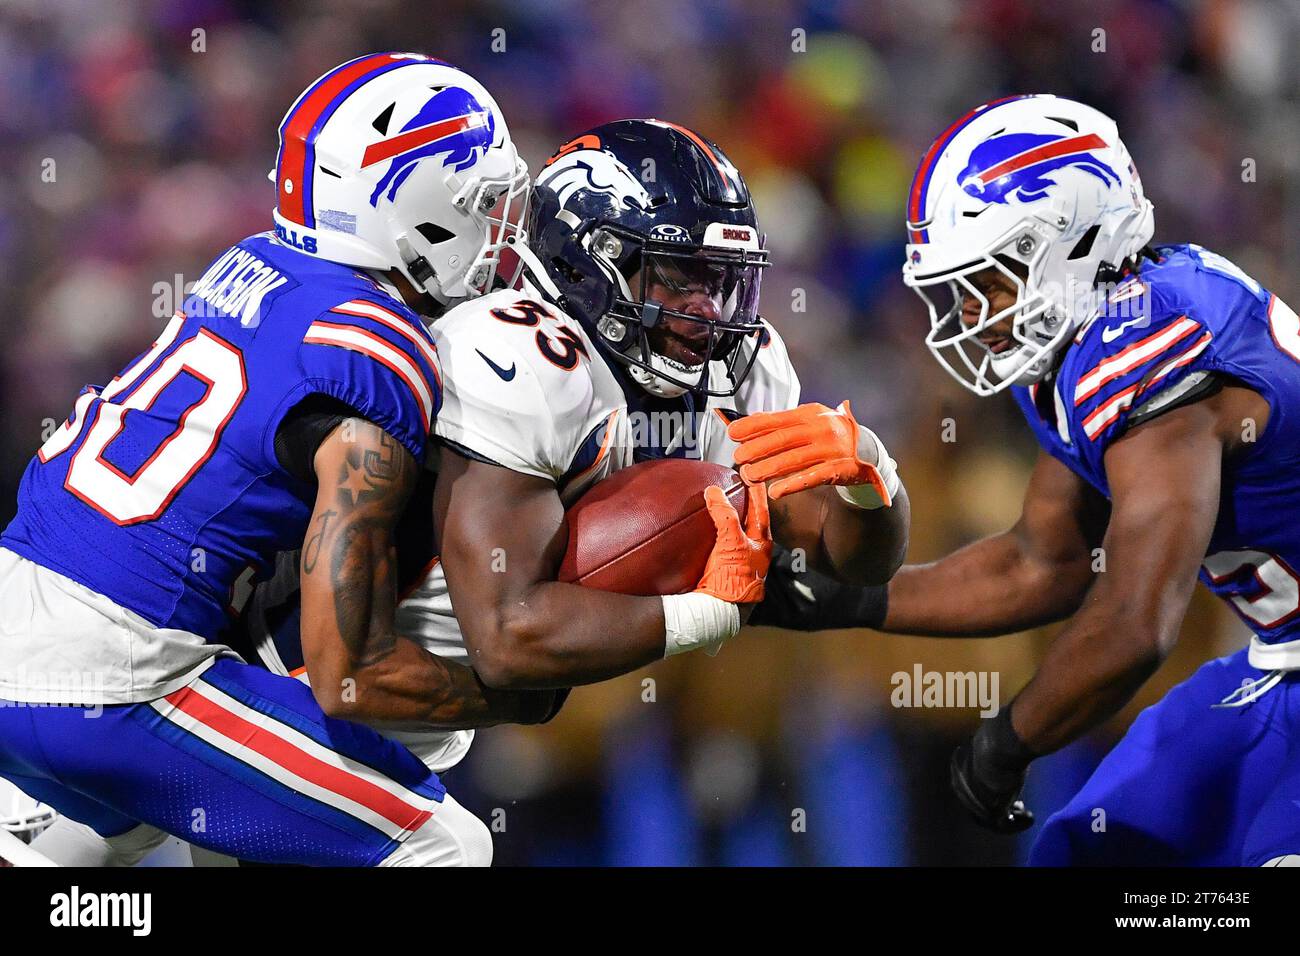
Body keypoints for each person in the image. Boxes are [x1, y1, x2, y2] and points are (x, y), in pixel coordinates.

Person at [0, 52, 556, 867]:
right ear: (412, 209)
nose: (500, 226)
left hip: (26, 609)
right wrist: (513, 691)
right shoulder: (378, 350)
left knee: (101, 850)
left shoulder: (256, 263)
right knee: (441, 848)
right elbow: (349, 674)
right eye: (481, 202)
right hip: (121, 671)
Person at [758, 93, 1300, 866]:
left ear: (1076, 240)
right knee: (1091, 853)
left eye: (995, 279)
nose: (978, 311)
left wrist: (1009, 739)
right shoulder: (1099, 333)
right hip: (1279, 661)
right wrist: (849, 601)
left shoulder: (1148, 339)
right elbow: (1041, 562)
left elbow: (1135, 623)